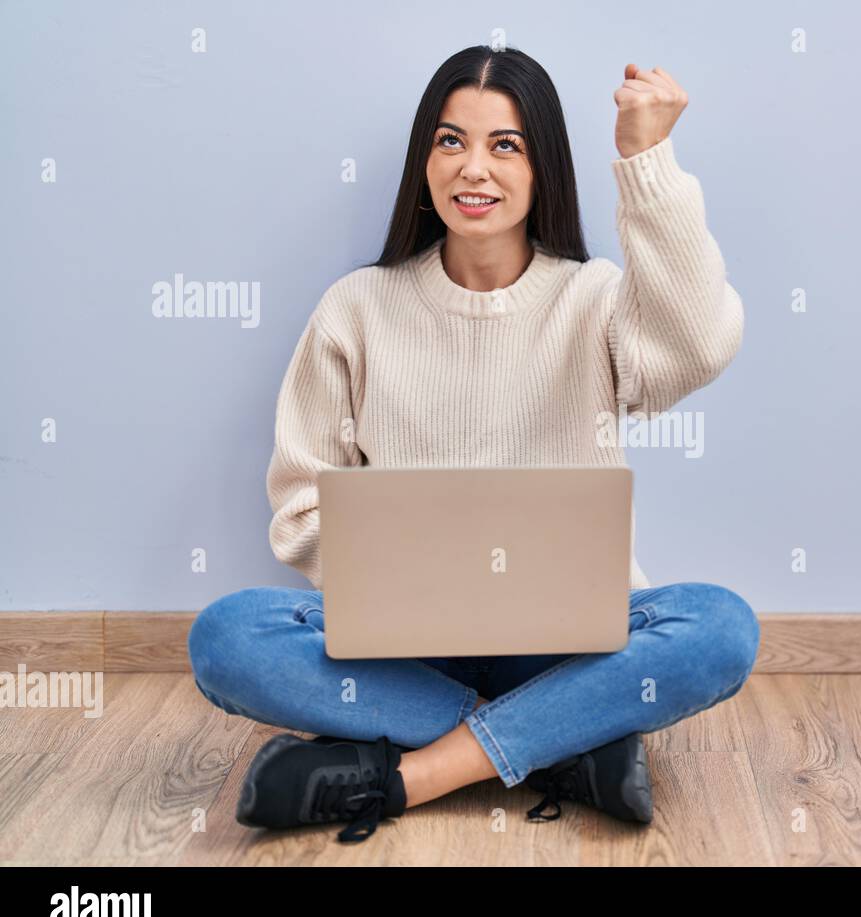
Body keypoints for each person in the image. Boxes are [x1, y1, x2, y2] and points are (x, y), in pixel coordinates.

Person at [186, 44, 758, 843]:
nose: (473, 169)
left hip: (566, 648)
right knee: (225, 637)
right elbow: (299, 506)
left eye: (505, 145)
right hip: (405, 654)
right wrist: (403, 572)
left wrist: (647, 160)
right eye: (450, 141)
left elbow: (698, 345)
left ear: (543, 165)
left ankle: (411, 774)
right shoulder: (357, 307)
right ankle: (564, 745)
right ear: (426, 159)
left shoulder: (595, 300)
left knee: (721, 626)